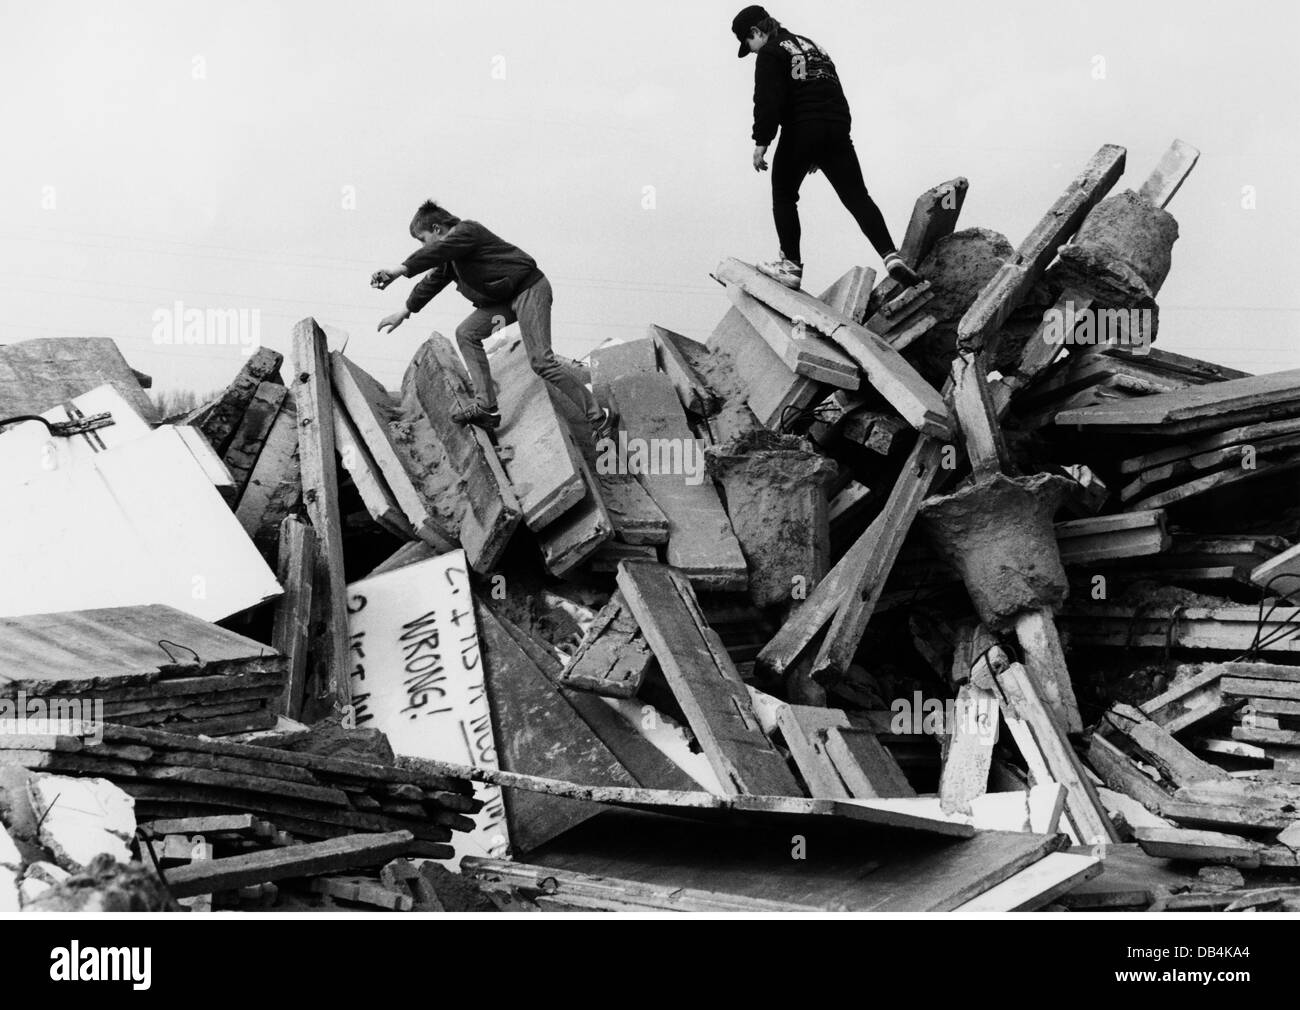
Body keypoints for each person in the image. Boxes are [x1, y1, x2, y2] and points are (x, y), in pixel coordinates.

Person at [371, 200, 612, 438]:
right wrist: (404, 311)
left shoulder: (468, 231)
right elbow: (431, 282)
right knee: (466, 332)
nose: (423, 246)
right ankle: (487, 407)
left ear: (437, 229)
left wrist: (400, 269)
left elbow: (436, 252)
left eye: (422, 239)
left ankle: (599, 416)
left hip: (530, 289)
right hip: (504, 302)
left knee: (542, 362)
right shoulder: (451, 259)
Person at [731, 5, 922, 292]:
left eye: (749, 44)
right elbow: (833, 90)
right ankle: (890, 254)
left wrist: (761, 142)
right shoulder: (813, 46)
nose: (752, 51)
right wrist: (828, 137)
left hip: (801, 127)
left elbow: (768, 100)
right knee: (857, 196)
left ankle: (791, 265)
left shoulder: (771, 52)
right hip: (836, 125)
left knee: (784, 195)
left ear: (757, 32)